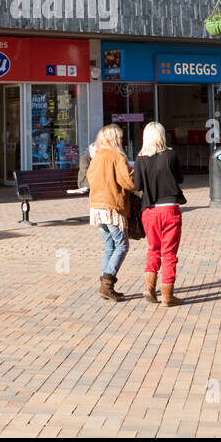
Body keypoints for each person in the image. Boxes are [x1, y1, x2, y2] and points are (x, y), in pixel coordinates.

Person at [134, 121, 186, 308]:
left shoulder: (140, 158)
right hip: (169, 208)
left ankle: (149, 287)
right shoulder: (171, 155)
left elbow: (138, 186)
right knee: (169, 253)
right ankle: (167, 296)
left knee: (153, 249)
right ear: (162, 136)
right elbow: (179, 178)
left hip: (150, 210)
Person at [86, 125, 137, 302]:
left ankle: (104, 285)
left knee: (109, 246)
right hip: (112, 206)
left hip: (97, 206)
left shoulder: (97, 157)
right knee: (122, 245)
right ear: (115, 139)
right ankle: (107, 284)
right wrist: (135, 174)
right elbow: (128, 182)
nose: (122, 140)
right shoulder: (117, 157)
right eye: (120, 138)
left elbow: (90, 178)